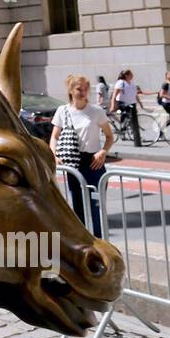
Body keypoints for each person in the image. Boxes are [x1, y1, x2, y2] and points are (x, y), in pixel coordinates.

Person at [51, 75, 114, 238]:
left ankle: (101, 241)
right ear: (71, 91)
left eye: (86, 89)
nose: (83, 92)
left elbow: (109, 136)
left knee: (96, 207)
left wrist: (103, 152)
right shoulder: (62, 111)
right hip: (73, 164)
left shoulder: (96, 111)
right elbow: (54, 137)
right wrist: (54, 154)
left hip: (94, 163)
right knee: (77, 206)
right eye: (79, 89)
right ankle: (83, 243)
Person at [110, 69, 143, 147]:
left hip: (132, 103)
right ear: (126, 75)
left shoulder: (132, 83)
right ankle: (134, 135)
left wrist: (140, 103)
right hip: (122, 103)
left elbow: (135, 94)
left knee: (128, 118)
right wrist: (112, 105)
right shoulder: (121, 82)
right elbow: (114, 95)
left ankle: (124, 130)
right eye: (131, 74)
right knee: (129, 118)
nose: (132, 75)